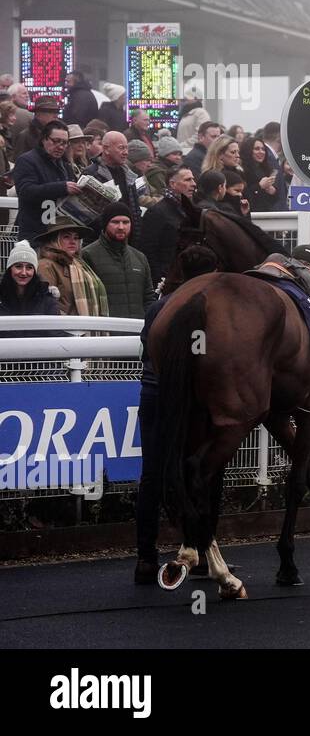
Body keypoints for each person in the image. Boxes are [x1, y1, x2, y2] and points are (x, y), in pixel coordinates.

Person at [134, 244, 220, 584]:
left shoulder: (157, 308)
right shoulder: (218, 312)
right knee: (204, 472)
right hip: (194, 401)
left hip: (154, 393)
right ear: (214, 274)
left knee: (152, 475)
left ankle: (145, 557)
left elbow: (147, 350)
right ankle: (200, 552)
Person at [81, 202, 156, 317]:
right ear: (105, 224)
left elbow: (148, 297)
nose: (121, 227)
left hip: (138, 329)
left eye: (126, 222)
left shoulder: (140, 257)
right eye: (115, 222)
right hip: (106, 329)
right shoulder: (87, 255)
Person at [12, 118, 79, 243]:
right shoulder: (27, 160)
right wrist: (62, 188)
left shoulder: (64, 164)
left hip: (58, 233)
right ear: (44, 139)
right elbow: (25, 191)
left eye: (64, 143)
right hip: (34, 235)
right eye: (56, 141)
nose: (60, 147)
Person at [35, 217, 108, 317]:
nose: (72, 241)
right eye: (66, 237)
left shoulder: (81, 265)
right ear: (54, 240)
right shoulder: (46, 265)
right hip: (64, 328)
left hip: (84, 328)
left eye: (76, 238)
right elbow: (46, 305)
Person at [138, 165, 197, 286]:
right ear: (173, 184)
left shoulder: (191, 209)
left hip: (189, 276)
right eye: (187, 180)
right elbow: (148, 249)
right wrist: (160, 277)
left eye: (193, 179)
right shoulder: (157, 212)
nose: (194, 184)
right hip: (168, 280)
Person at [0, 240, 63, 334]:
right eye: (18, 266)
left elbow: (56, 333)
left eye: (29, 267)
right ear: (10, 269)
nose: (24, 272)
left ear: (34, 271)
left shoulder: (46, 299)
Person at [239, 135, 279, 213]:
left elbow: (273, 200)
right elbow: (243, 195)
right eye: (257, 149)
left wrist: (273, 192)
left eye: (263, 149)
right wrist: (259, 186)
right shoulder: (241, 170)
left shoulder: (266, 170)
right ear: (249, 150)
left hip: (265, 214)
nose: (261, 152)